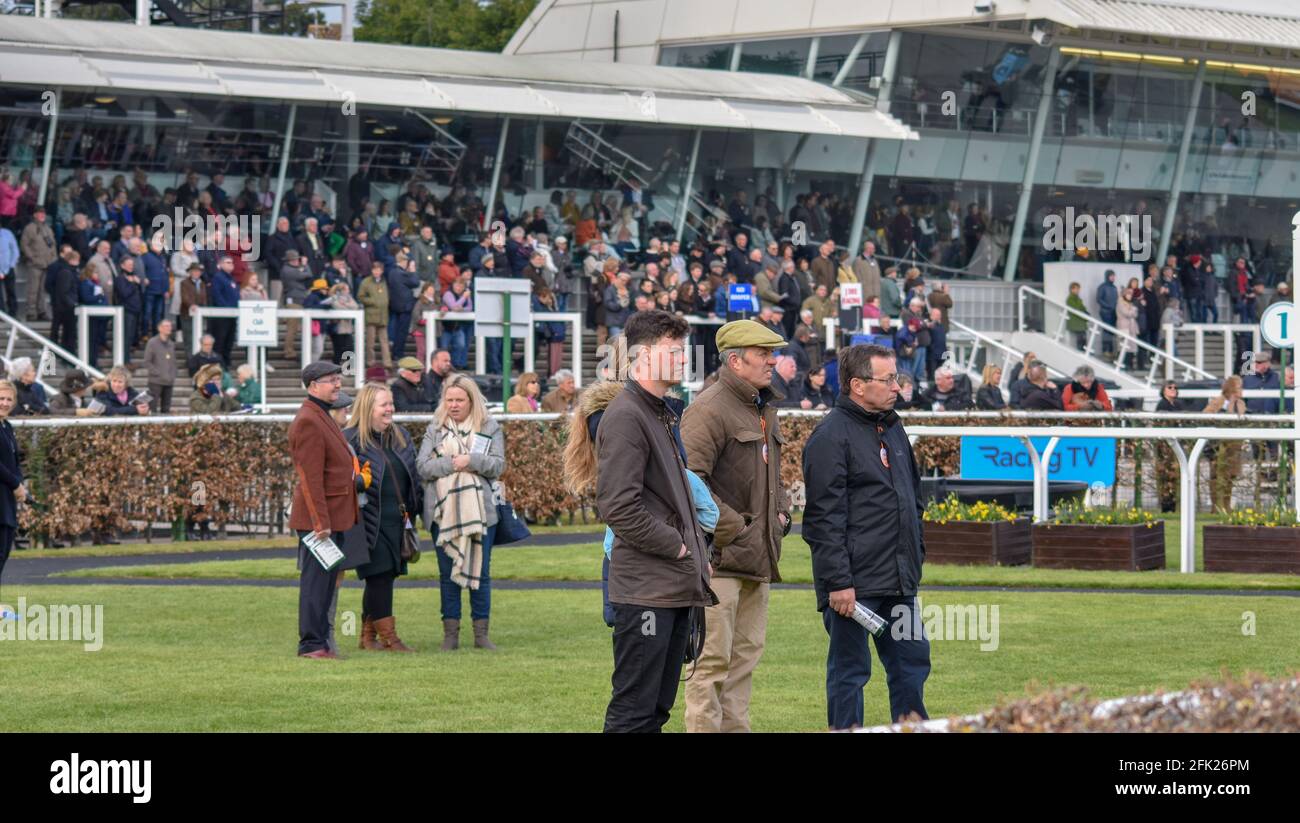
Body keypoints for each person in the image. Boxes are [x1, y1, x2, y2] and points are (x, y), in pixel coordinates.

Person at [597, 310, 716, 733]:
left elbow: (673, 498)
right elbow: (618, 507)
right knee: (634, 713)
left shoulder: (661, 413)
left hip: (672, 587)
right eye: (675, 349)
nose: (685, 357)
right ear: (644, 356)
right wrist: (679, 546)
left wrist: (698, 553)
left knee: (656, 712)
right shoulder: (627, 415)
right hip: (646, 590)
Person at [802, 344, 930, 729]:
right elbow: (823, 520)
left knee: (912, 667)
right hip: (853, 588)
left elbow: (912, 497)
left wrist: (915, 555)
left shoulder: (893, 426)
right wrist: (838, 582)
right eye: (888, 379)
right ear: (857, 385)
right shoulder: (829, 436)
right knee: (850, 673)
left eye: (898, 378)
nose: (897, 387)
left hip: (900, 580)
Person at [680, 319, 791, 733]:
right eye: (763, 353)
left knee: (742, 670)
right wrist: (735, 529)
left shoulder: (762, 407)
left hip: (756, 562)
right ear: (735, 360)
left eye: (771, 352)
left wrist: (781, 514)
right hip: (719, 564)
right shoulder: (708, 409)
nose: (772, 360)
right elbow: (689, 483)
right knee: (709, 669)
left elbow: (773, 477)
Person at [418, 373, 507, 651]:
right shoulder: (435, 429)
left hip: (482, 512)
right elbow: (423, 467)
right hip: (442, 514)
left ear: (471, 400)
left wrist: (472, 460)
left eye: (459, 400)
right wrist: (454, 464)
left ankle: (481, 635)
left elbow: (497, 465)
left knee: (481, 572)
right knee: (447, 575)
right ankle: (451, 636)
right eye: (449, 400)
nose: (454, 405)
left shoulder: (489, 426)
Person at [342, 383, 421, 652]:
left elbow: (412, 475)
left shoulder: (400, 436)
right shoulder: (351, 439)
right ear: (368, 407)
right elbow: (341, 481)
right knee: (379, 577)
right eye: (384, 404)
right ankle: (390, 638)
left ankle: (367, 637)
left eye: (391, 404)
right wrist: (358, 482)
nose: (390, 409)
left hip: (397, 519)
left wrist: (415, 508)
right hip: (367, 522)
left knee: (386, 576)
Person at [289, 361, 360, 659]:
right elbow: (310, 478)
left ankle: (319, 642)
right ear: (313, 385)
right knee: (316, 584)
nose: (337, 385)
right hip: (320, 519)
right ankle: (312, 644)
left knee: (326, 582)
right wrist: (320, 522)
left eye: (337, 379)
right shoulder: (309, 419)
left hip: (333, 515)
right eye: (331, 380)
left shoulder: (320, 415)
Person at [1204, 375, 1247, 512]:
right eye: (1239, 387)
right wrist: (1227, 407)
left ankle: (1226, 505)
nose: (1242, 390)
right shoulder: (1219, 401)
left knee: (1230, 476)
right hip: (1219, 446)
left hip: (1234, 446)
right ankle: (1216, 506)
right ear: (1232, 388)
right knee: (1216, 476)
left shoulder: (1241, 403)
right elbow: (1206, 415)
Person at [0, 380, 26, 589]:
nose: (5, 403)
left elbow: (14, 461)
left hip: (5, 499)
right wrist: (16, 484)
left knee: (4, 551)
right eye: (1, 398)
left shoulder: (6, 426)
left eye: (9, 399)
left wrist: (20, 484)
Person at [357, 261, 392, 371]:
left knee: (384, 341)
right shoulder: (366, 282)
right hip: (371, 316)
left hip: (383, 316)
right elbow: (360, 296)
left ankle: (387, 363)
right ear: (372, 270)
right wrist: (372, 301)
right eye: (375, 269)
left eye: (379, 270)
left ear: (382, 271)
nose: (377, 272)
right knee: (370, 342)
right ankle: (370, 362)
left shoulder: (384, 282)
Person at [143, 318, 178, 414]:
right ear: (160, 328)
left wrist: (173, 374)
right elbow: (147, 362)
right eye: (166, 326)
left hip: (169, 382)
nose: (169, 328)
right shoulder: (152, 342)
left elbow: (173, 362)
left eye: (170, 326)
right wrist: (157, 373)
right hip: (155, 382)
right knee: (152, 408)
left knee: (166, 409)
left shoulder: (171, 344)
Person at [1065, 281, 1090, 351]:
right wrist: (1084, 313)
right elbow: (1076, 309)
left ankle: (1083, 352)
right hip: (1076, 322)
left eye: (1078, 289)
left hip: (1080, 322)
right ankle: (1081, 352)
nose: (1078, 290)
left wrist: (1086, 312)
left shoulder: (1078, 298)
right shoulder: (1070, 299)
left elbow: (1082, 308)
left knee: (1083, 339)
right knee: (1080, 339)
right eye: (1076, 289)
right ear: (1071, 289)